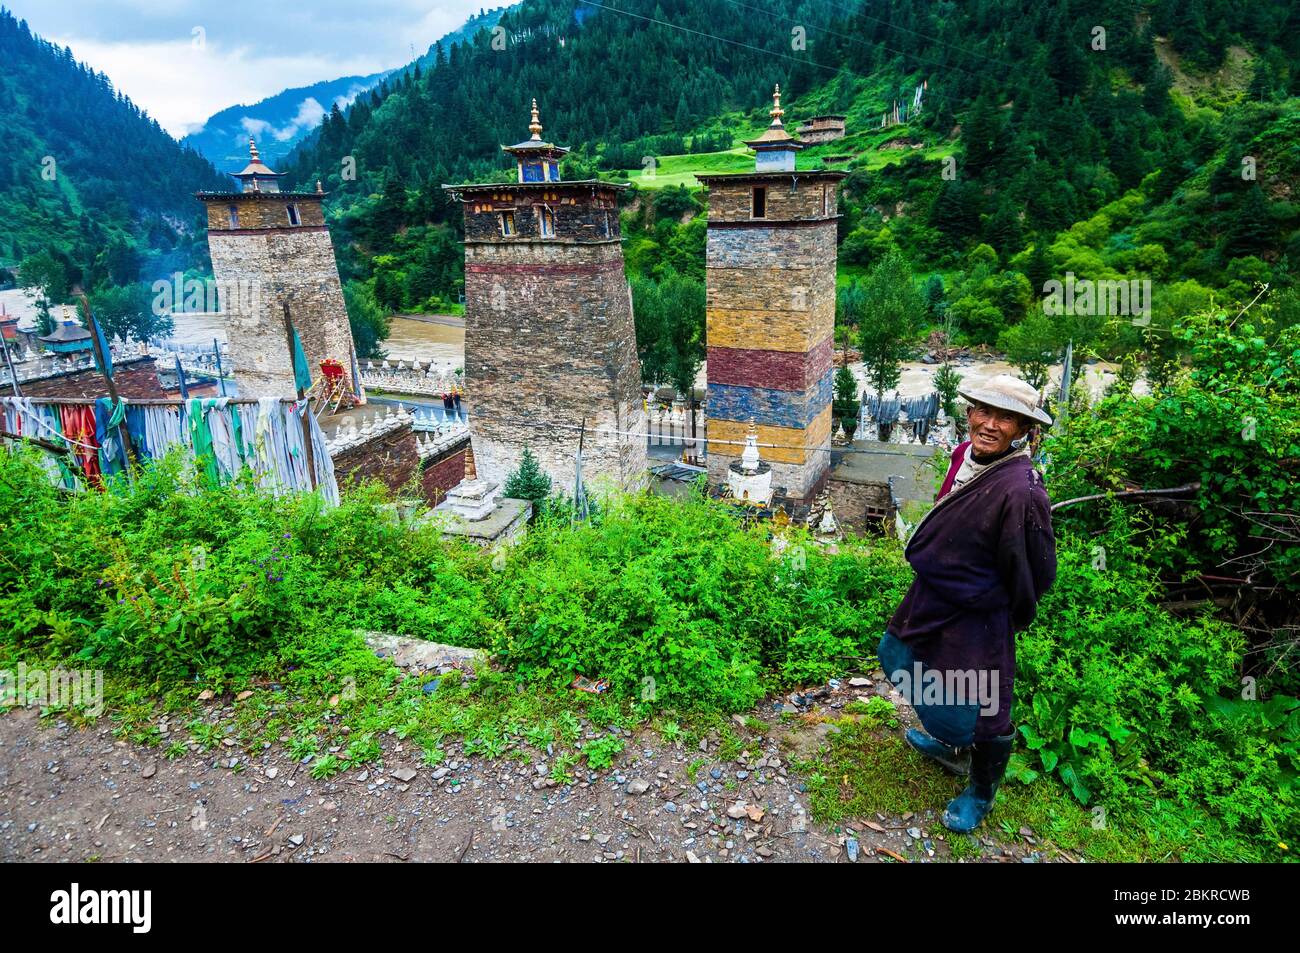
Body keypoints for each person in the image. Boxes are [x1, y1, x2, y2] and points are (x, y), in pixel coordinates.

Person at [877, 374, 1057, 833]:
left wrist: (999, 611)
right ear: (969, 413)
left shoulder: (1023, 490)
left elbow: (1035, 572)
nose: (991, 424)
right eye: (983, 411)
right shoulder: (962, 456)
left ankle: (981, 791)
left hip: (980, 612)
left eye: (1007, 417)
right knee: (901, 656)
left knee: (986, 704)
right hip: (933, 594)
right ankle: (951, 742)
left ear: (1023, 429)